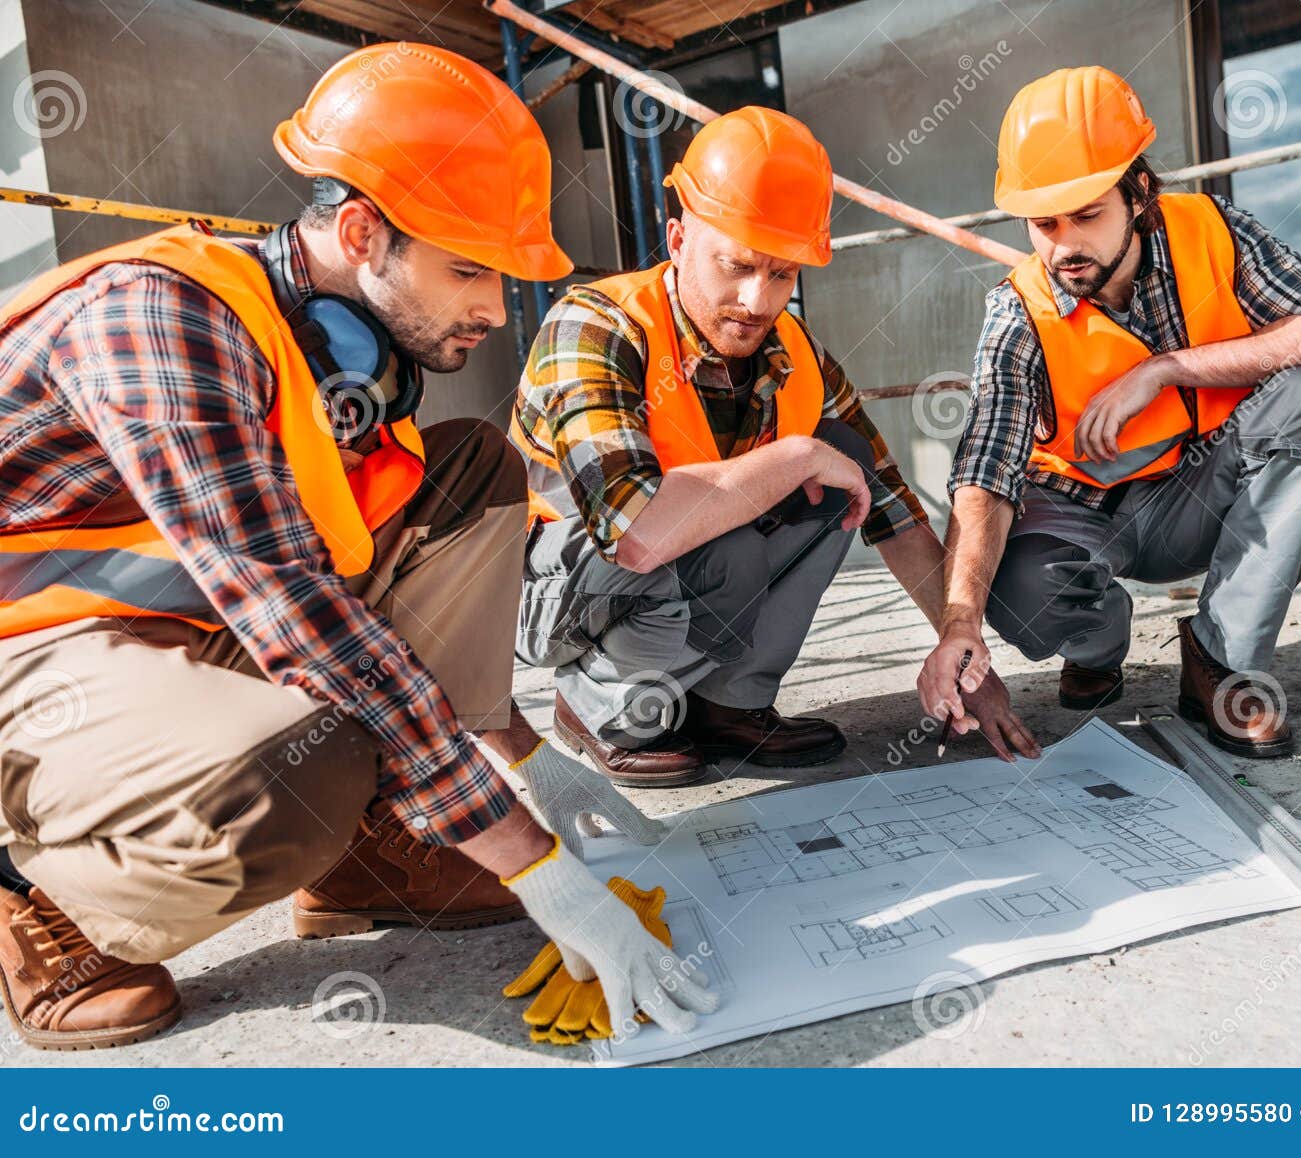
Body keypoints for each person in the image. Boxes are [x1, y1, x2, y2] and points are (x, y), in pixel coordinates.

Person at [0, 43, 710, 1051]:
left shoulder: (332, 356)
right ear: (362, 231)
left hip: (185, 619)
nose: (488, 309)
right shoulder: (160, 324)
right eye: (468, 270)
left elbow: (341, 556)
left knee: (469, 471)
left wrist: (519, 751)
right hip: (38, 651)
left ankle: (370, 850)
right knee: (292, 773)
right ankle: (42, 896)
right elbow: (294, 606)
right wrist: (529, 859)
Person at [515, 106, 1038, 787]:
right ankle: (599, 707)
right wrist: (795, 457)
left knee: (842, 462)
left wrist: (965, 653)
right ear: (677, 238)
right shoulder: (594, 327)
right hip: (551, 587)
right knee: (762, 508)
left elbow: (895, 514)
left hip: (665, 561)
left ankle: (727, 705)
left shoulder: (794, 354)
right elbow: (634, 536)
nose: (757, 301)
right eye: (735, 266)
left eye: (783, 275)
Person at [920, 66, 1301, 758]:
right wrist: (959, 622)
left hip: (1199, 496)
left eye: (1086, 213)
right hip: (1080, 519)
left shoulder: (1212, 233)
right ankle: (1098, 647)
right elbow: (985, 468)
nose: (1063, 246)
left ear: (1139, 193)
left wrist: (1164, 369)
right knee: (1018, 593)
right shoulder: (1018, 310)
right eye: (1043, 223)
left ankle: (1220, 662)